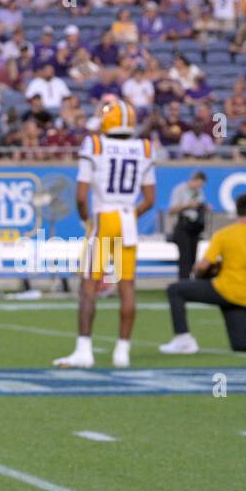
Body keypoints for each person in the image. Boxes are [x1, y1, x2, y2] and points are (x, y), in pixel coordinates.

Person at [54, 101, 156, 369]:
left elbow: (80, 194)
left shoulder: (96, 145)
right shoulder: (144, 148)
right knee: (127, 286)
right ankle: (122, 352)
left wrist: (87, 218)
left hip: (104, 216)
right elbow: (150, 198)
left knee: (88, 286)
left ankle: (84, 350)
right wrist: (130, 216)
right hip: (127, 218)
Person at [160, 193, 246, 354]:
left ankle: (183, 339)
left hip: (222, 289)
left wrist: (200, 273)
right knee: (240, 343)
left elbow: (203, 265)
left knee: (175, 290)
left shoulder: (224, 234)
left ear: (237, 209)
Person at [166, 170, 208, 279]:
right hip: (182, 226)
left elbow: (200, 205)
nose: (200, 186)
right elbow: (172, 209)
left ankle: (190, 281)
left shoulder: (199, 192)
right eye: (199, 183)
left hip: (195, 227)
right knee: (185, 257)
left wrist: (204, 207)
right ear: (195, 179)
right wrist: (188, 205)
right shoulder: (180, 189)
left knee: (193, 257)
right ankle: (183, 282)